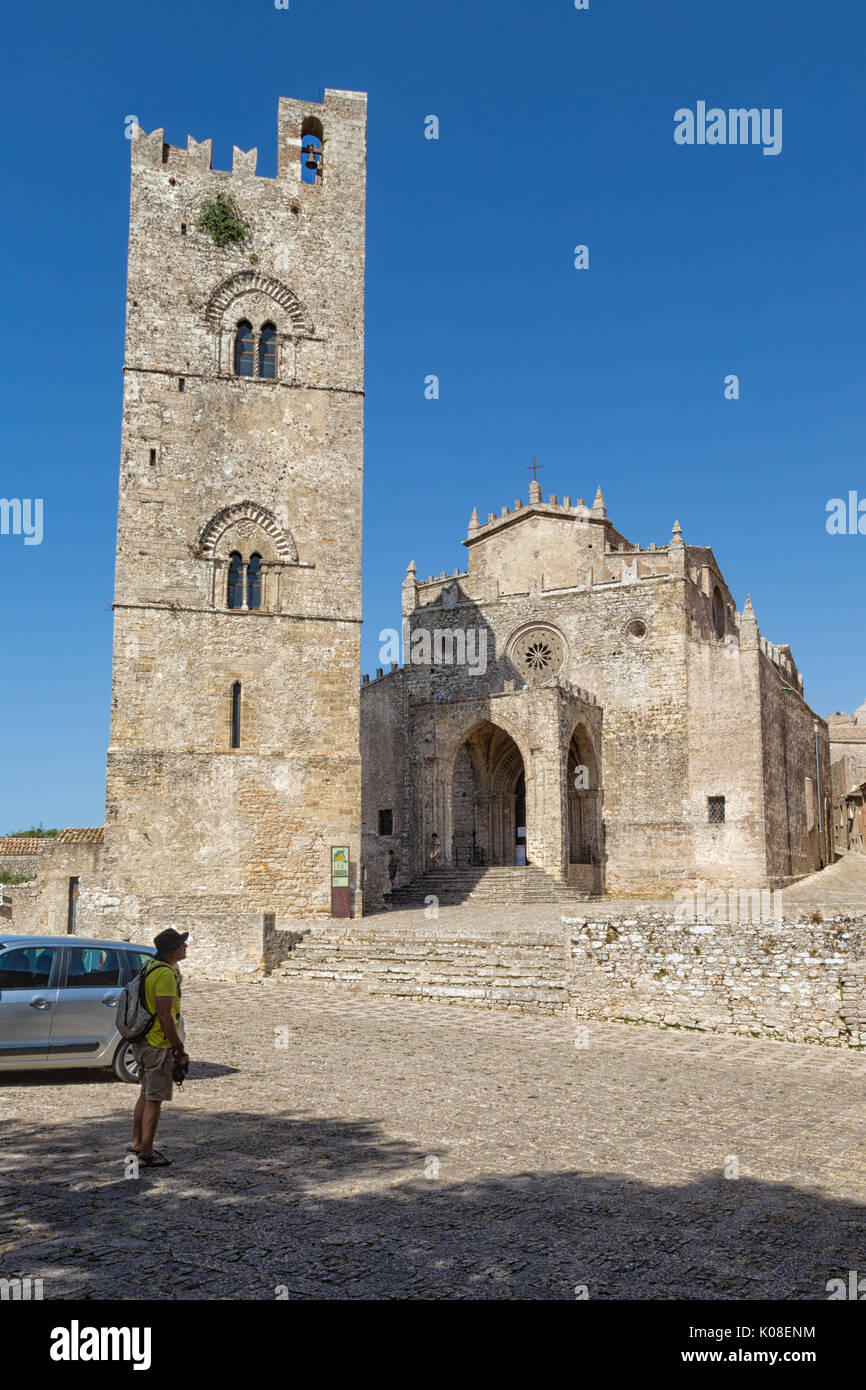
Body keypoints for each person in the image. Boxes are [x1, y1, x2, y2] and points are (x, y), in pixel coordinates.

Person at [130, 928, 189, 1169]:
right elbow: (165, 1015)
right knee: (154, 1098)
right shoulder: (165, 974)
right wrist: (178, 1048)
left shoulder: (150, 968)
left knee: (145, 1094)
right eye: (182, 945)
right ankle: (146, 1153)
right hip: (158, 1042)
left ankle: (136, 1144)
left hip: (143, 1040)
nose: (186, 948)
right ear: (172, 950)